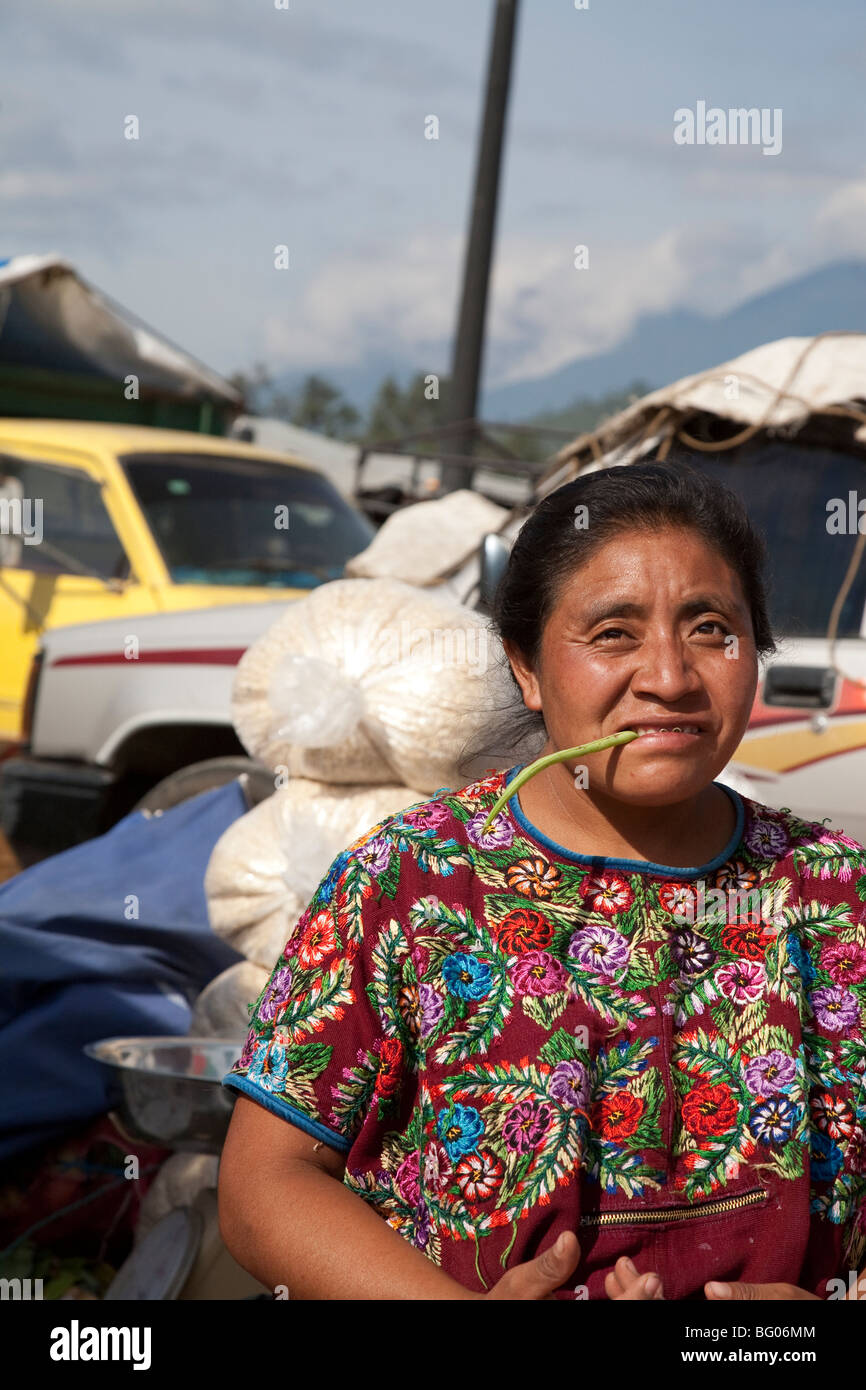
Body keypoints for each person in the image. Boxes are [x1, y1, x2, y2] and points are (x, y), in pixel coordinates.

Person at [218, 460, 866, 1301]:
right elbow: (265, 1188)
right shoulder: (414, 881)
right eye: (613, 634)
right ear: (525, 666)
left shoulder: (833, 894)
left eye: (710, 628)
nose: (668, 678)